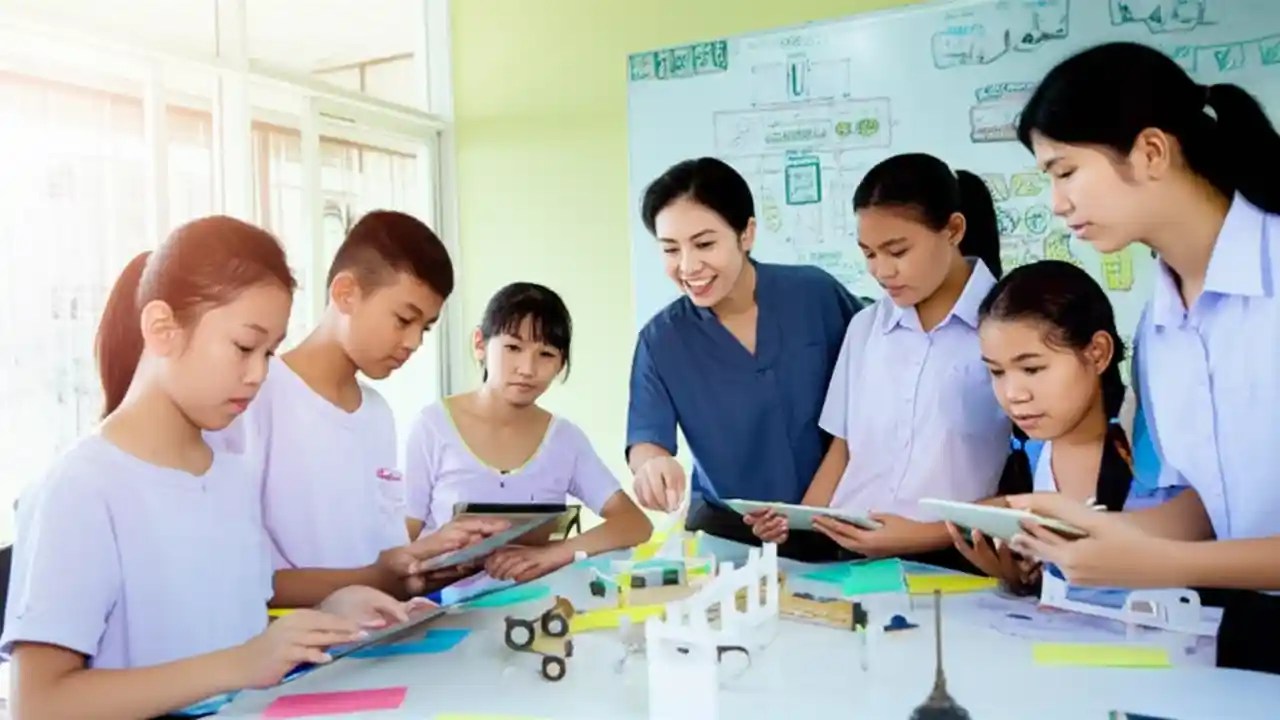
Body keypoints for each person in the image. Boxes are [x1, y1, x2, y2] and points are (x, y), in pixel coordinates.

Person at [0, 218, 424, 719]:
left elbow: (230, 631)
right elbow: (40, 705)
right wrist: (243, 663)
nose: (258, 374)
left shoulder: (231, 474)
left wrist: (331, 615)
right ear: (162, 329)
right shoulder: (81, 488)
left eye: (269, 352)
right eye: (245, 347)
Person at [1007, 41, 1280, 674]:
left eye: (1065, 170)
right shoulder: (1159, 331)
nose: (1056, 202)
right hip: (1248, 632)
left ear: (1151, 151)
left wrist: (1159, 563)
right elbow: (1213, 504)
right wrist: (1090, 532)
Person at [218, 210, 504, 609]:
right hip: (294, 654)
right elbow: (238, 578)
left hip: (376, 638)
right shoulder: (253, 397)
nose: (412, 342)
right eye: (404, 319)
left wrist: (430, 560)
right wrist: (381, 579)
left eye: (425, 328)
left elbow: (384, 555)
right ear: (345, 293)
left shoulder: (377, 414)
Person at [745, 153, 1009, 565]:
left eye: (897, 251)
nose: (882, 271)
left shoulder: (1008, 329)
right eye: (869, 253)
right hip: (845, 556)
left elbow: (1039, 483)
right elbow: (843, 451)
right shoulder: (866, 328)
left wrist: (921, 535)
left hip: (950, 562)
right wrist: (794, 527)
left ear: (954, 229)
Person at [627, 157, 862, 560]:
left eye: (704, 244)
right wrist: (652, 465)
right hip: (727, 531)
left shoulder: (814, 294)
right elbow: (646, 439)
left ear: (746, 234)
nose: (688, 266)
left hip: (833, 518)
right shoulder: (661, 340)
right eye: (670, 250)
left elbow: (880, 371)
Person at [949, 260, 1180, 592]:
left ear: (1097, 353)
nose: (1014, 395)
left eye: (1032, 369)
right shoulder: (1030, 456)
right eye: (997, 373)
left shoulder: (1156, 454)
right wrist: (1021, 577)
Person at [404, 282, 652, 582]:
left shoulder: (564, 438)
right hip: (444, 607)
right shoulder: (433, 426)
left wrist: (554, 554)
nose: (527, 368)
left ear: (561, 364)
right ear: (480, 344)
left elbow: (635, 523)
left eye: (546, 354)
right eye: (513, 348)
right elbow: (403, 539)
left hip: (539, 608)